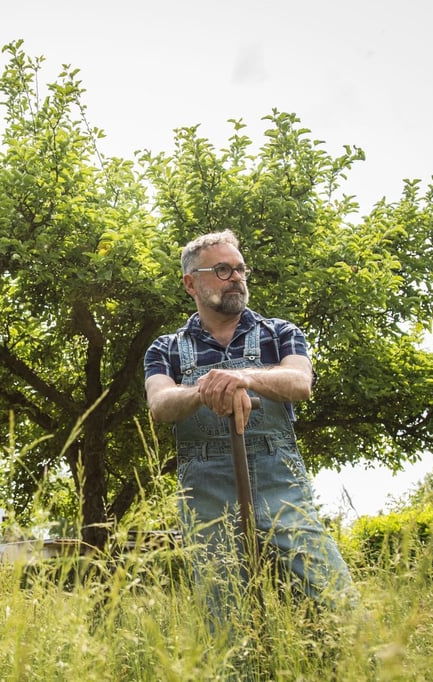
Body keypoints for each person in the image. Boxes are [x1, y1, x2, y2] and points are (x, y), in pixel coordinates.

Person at [144, 230, 357, 626]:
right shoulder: (165, 349)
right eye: (222, 270)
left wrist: (240, 378)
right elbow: (160, 404)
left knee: (337, 603)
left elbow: (299, 383)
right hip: (206, 491)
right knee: (224, 621)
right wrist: (207, 389)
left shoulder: (281, 334)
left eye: (240, 269)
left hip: (280, 482)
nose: (237, 278)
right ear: (191, 282)